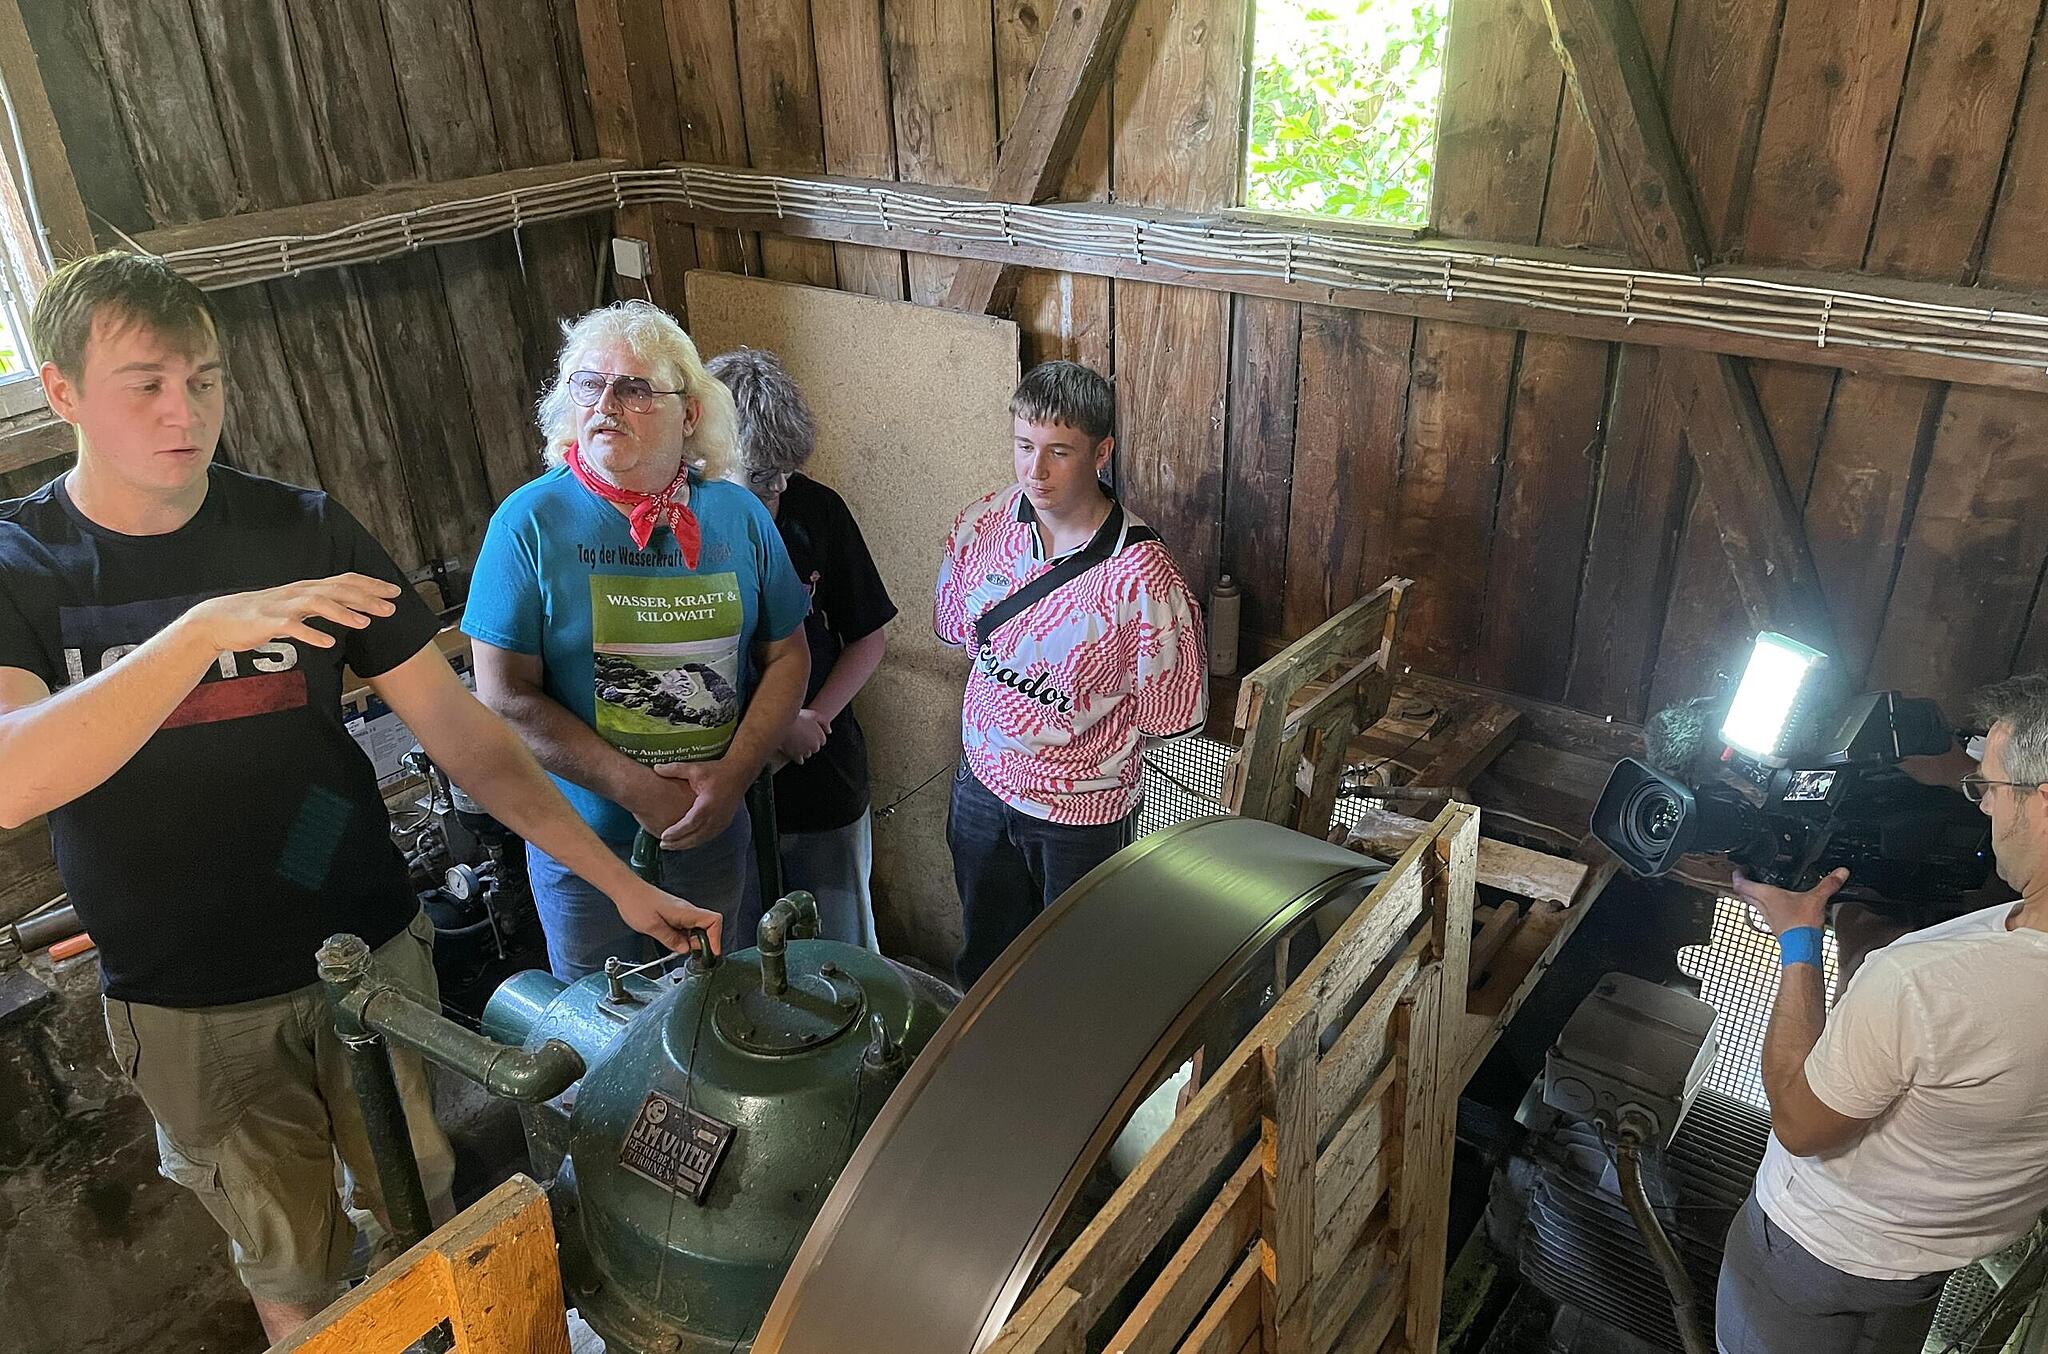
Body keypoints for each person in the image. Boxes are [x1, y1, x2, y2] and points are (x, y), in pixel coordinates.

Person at [0, 252, 722, 1341]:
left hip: (365, 941)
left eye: (204, 378)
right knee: (291, 1259)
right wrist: (196, 635)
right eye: (144, 382)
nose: (183, 411)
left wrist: (617, 882)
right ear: (61, 393)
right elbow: (13, 780)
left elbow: (466, 736)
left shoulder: (300, 528)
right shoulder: (23, 563)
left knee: (422, 1195)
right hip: (188, 990)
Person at [465, 302, 810, 981]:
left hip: (709, 831)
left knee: (712, 1009)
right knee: (602, 1027)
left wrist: (733, 774)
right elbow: (503, 695)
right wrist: (635, 790)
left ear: (689, 413)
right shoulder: (529, 524)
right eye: (589, 384)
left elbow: (788, 655)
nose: (605, 404)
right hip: (582, 847)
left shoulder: (737, 516)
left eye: (635, 388)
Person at [1716, 671, 2048, 1354]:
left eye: (1988, 790)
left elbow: (1802, 1124)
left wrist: (1800, 940)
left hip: (1811, 1258)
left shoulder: (1920, 984)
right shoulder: (1968, 968)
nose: (1981, 808)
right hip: (1924, 1270)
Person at [934, 360, 1208, 989]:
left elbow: (1170, 714)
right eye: (1024, 447)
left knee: (1074, 975)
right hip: (980, 781)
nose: (1036, 471)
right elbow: (953, 626)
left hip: (1078, 814)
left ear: (1102, 453)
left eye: (1059, 452)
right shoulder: (985, 522)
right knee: (985, 959)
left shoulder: (1143, 579)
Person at [708, 349, 895, 951]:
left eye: (788, 470)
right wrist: (773, 727)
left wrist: (814, 718)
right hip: (726, 782)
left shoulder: (819, 511)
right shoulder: (683, 530)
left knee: (840, 948)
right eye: (762, 475)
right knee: (743, 952)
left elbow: (868, 634)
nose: (781, 487)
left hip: (820, 769)